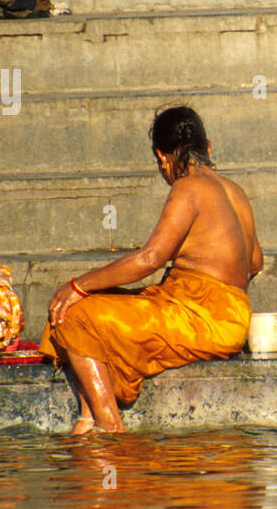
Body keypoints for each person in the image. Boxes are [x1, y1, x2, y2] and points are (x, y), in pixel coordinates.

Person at [39, 106, 263, 434]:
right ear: (209, 147)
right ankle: (86, 419)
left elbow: (150, 259)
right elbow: (255, 263)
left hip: (200, 319)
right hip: (232, 319)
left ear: (163, 157)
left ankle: (108, 425)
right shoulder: (235, 191)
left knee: (73, 314)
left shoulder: (188, 188)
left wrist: (78, 285)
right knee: (87, 312)